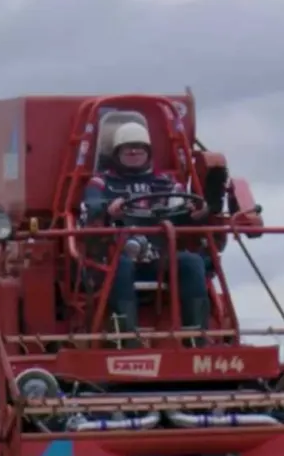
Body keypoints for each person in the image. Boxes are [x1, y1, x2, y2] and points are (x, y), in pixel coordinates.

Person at [81, 120, 210, 334]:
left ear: (148, 152)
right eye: (127, 148)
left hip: (159, 254)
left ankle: (196, 335)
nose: (133, 151)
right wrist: (108, 210)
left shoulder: (167, 182)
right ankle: (124, 335)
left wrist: (195, 213)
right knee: (120, 266)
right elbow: (91, 208)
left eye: (138, 147)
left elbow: (184, 215)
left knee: (193, 262)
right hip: (114, 254)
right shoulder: (101, 183)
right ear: (116, 153)